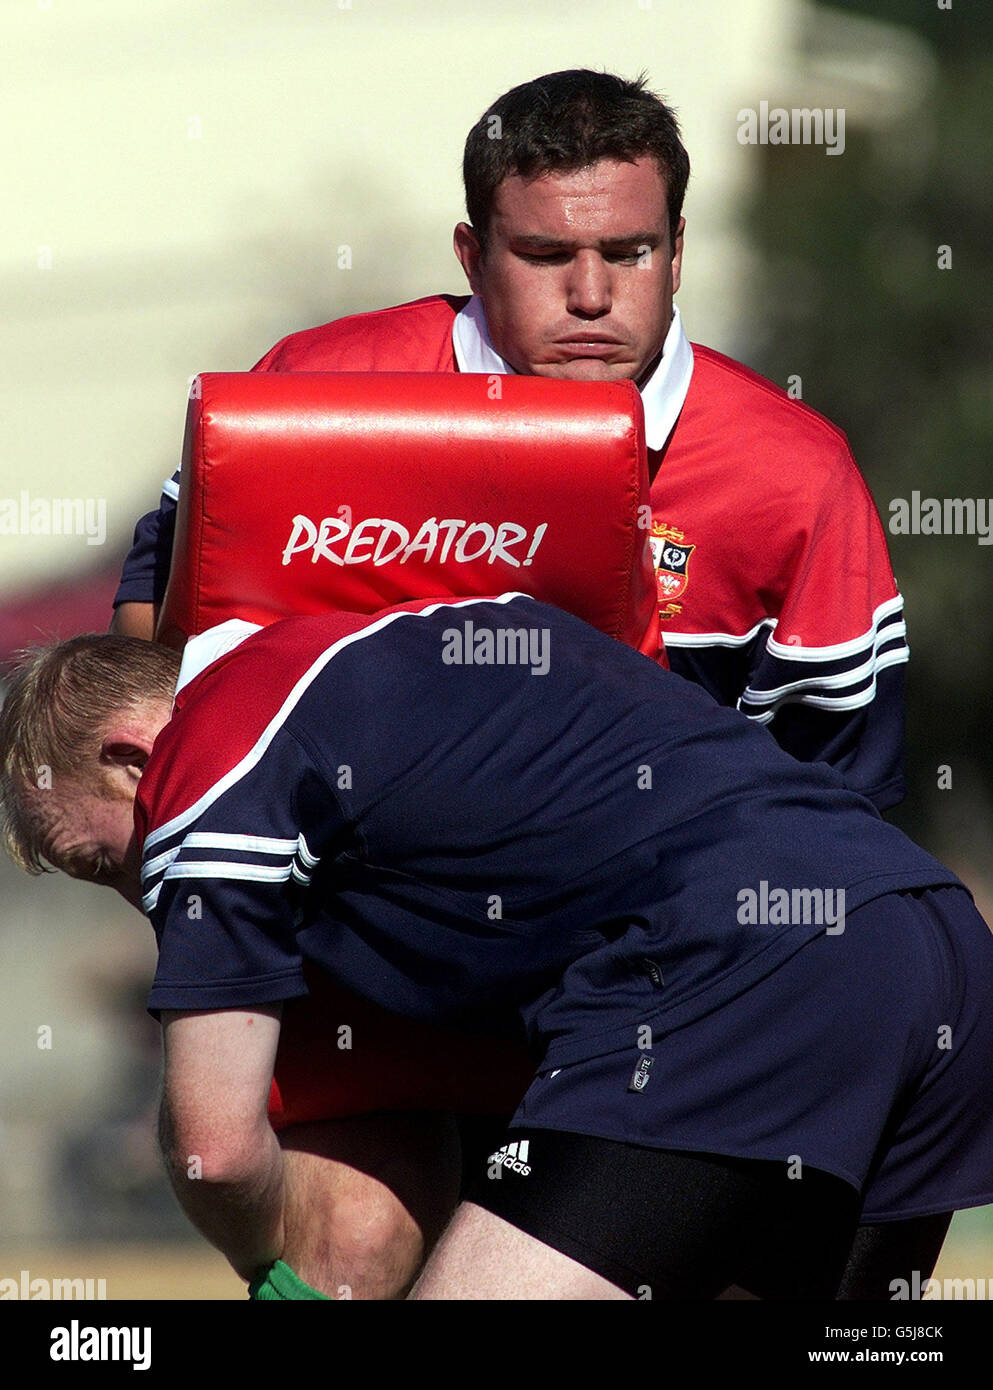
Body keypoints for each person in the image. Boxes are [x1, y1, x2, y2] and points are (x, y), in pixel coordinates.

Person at [2, 596, 991, 1299]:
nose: (143, 895)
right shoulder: (429, 638)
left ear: (130, 757)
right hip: (934, 944)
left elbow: (214, 1149)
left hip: (732, 965)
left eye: (104, 862)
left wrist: (279, 1273)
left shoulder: (210, 754)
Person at [111, 68, 908, 811]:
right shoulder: (318, 392)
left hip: (654, 940)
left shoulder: (792, 473)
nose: (592, 296)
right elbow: (156, 623)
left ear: (675, 254)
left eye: (629, 253)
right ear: (472, 256)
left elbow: (831, 800)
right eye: (545, 255)